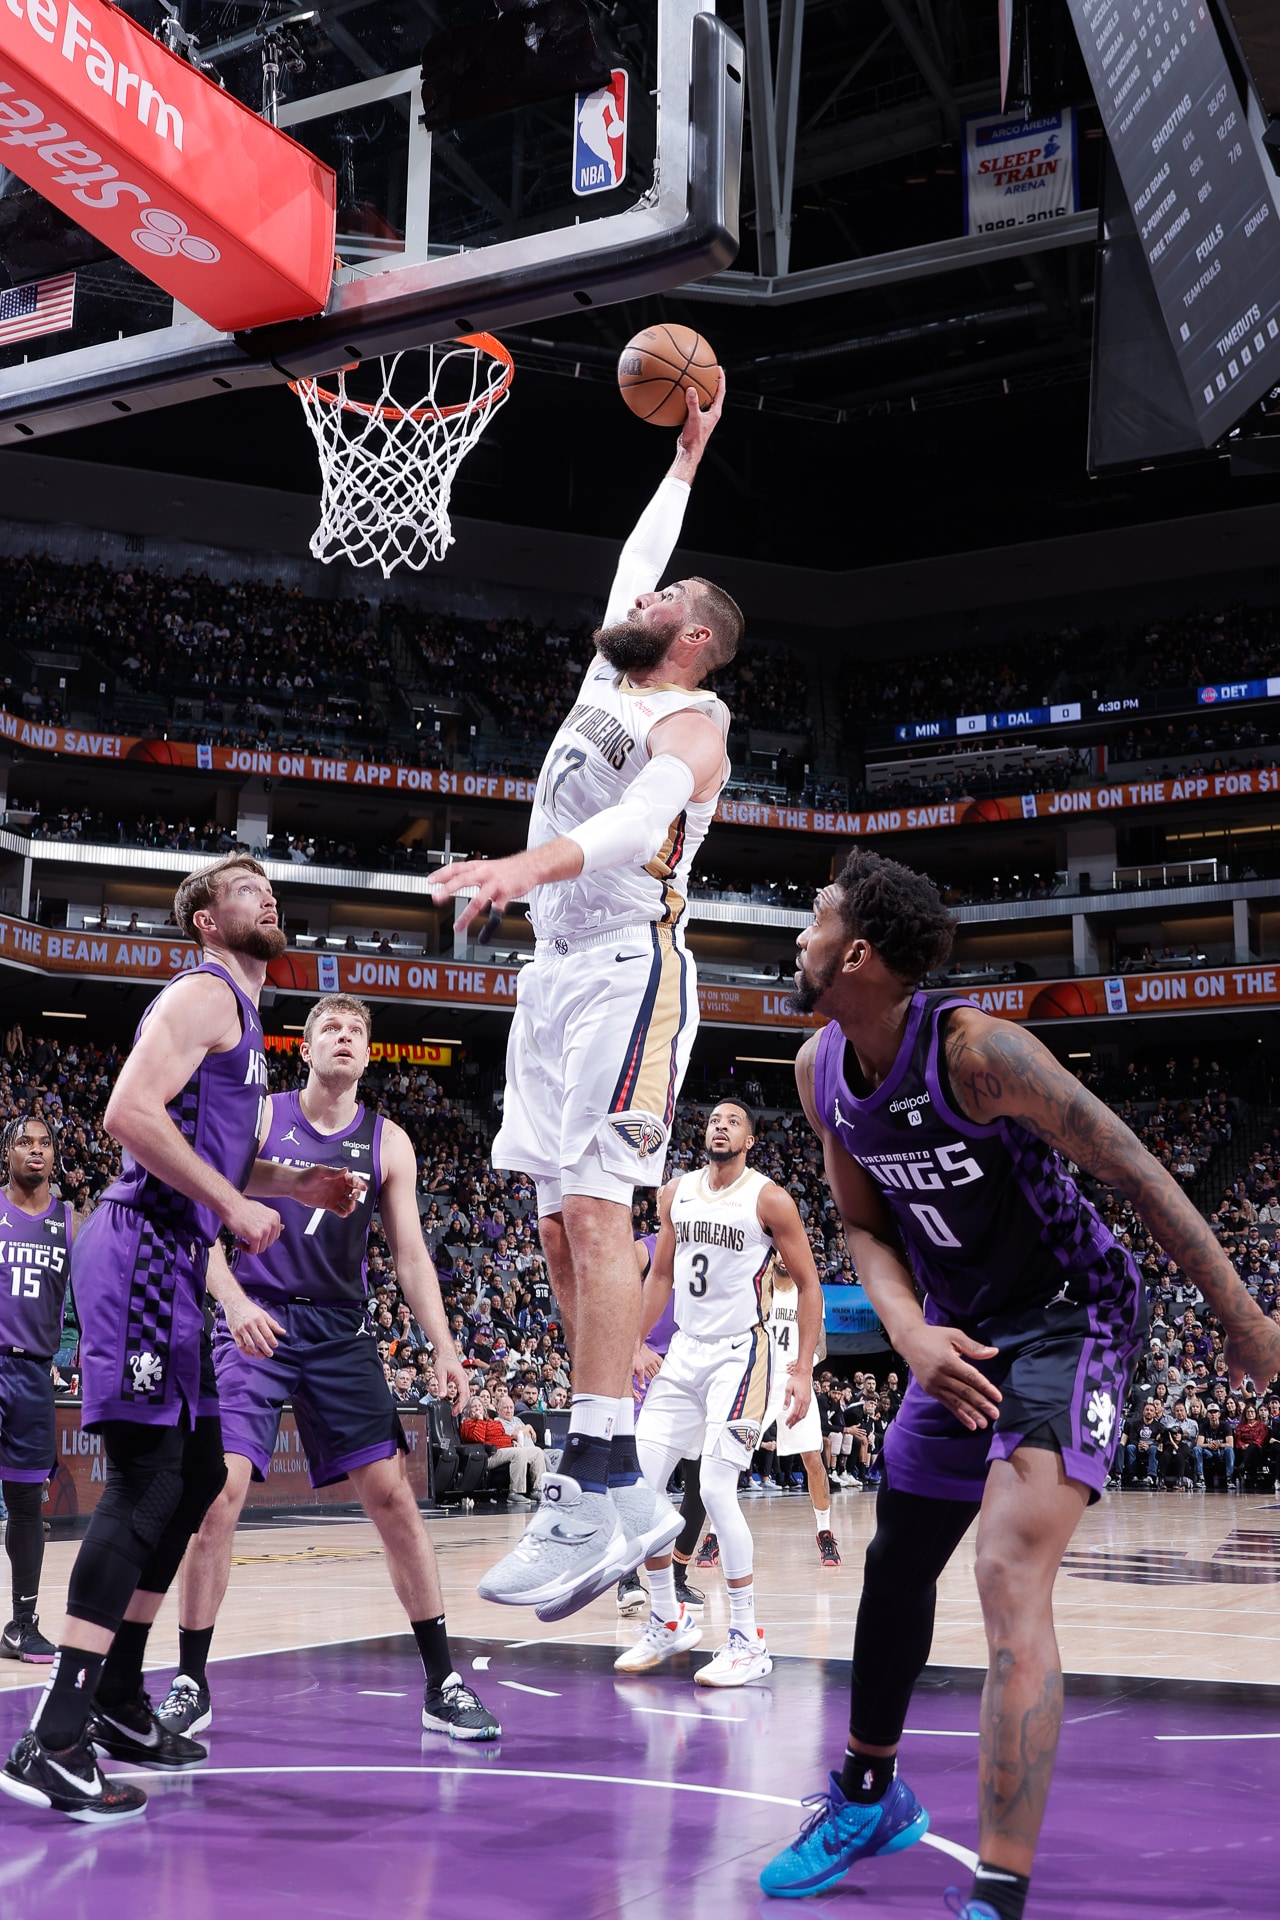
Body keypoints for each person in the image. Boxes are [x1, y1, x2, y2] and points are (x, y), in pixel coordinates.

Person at [759, 848, 1280, 1918]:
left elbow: (1128, 1162)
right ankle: (867, 1796)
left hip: (1069, 1315)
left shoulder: (978, 1052)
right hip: (955, 1332)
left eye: (812, 917)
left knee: (1003, 1572)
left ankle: (996, 1893)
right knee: (896, 1559)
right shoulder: (819, 1072)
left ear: (856, 951)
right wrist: (907, 1333)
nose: (796, 934)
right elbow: (860, 1223)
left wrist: (1241, 1316)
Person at [431, 378, 745, 1620]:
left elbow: (635, 825)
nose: (642, 598)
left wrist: (524, 863)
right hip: (554, 979)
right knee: (561, 1232)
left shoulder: (694, 718)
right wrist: (684, 456)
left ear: (696, 638)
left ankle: (598, 1471)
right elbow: (641, 550)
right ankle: (617, 1477)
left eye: (663, 604)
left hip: (629, 966)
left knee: (601, 1218)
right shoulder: (609, 679)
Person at [0, 857, 358, 1824]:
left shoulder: (242, 1025)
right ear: (204, 921)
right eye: (245, 889)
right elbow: (129, 1114)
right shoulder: (204, 994)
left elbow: (214, 1145)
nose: (267, 897)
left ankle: (118, 1697)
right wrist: (239, 1203)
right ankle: (55, 1734)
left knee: (198, 1478)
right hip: (145, 1250)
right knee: (150, 1479)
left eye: (271, 888)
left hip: (176, 1252)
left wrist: (291, 1186)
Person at [159, 994, 499, 1743]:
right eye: (330, 1030)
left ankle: (442, 1681)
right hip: (257, 1319)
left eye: (356, 1032)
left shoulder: (390, 1142)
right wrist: (233, 1301)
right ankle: (190, 1678)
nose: (344, 1038)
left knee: (395, 1501)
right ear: (304, 1048)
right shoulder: (256, 1119)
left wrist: (442, 1344)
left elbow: (410, 1257)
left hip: (339, 1330)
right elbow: (200, 1220)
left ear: (369, 1055)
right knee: (222, 1491)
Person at [615, 1101, 821, 1686]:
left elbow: (808, 1284)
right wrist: (634, 1340)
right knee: (637, 1491)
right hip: (684, 1352)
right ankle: (667, 1615)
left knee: (713, 1486)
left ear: (751, 1138)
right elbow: (660, 1274)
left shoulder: (769, 1198)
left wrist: (801, 1369)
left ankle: (748, 1639)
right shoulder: (675, 1192)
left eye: (733, 1120)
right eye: (713, 1121)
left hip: (742, 1353)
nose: (720, 1126)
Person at [0, 1114, 79, 1663]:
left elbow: (83, 1309)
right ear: (7, 1154)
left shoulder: (73, 1223)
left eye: (44, 1143)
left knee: (27, 1503)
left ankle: (21, 1624)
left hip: (32, 1377)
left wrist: (69, 1357)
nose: (36, 1150)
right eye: (24, 1142)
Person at [616, 1233, 708, 1618]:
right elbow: (611, 1297)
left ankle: (677, 1576)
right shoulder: (644, 1249)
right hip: (649, 1373)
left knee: (703, 1485)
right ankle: (627, 1578)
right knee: (643, 1483)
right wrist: (635, 1347)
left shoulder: (709, 1248)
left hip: (699, 1371)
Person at [759, 1257, 841, 1567]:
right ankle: (713, 1535)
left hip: (796, 1382)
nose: (781, 1257)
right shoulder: (759, 1286)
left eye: (785, 1251)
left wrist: (808, 1363)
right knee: (731, 1455)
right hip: (760, 1382)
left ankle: (825, 1532)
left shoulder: (809, 1293)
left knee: (812, 1460)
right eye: (776, 1252)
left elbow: (821, 1346)